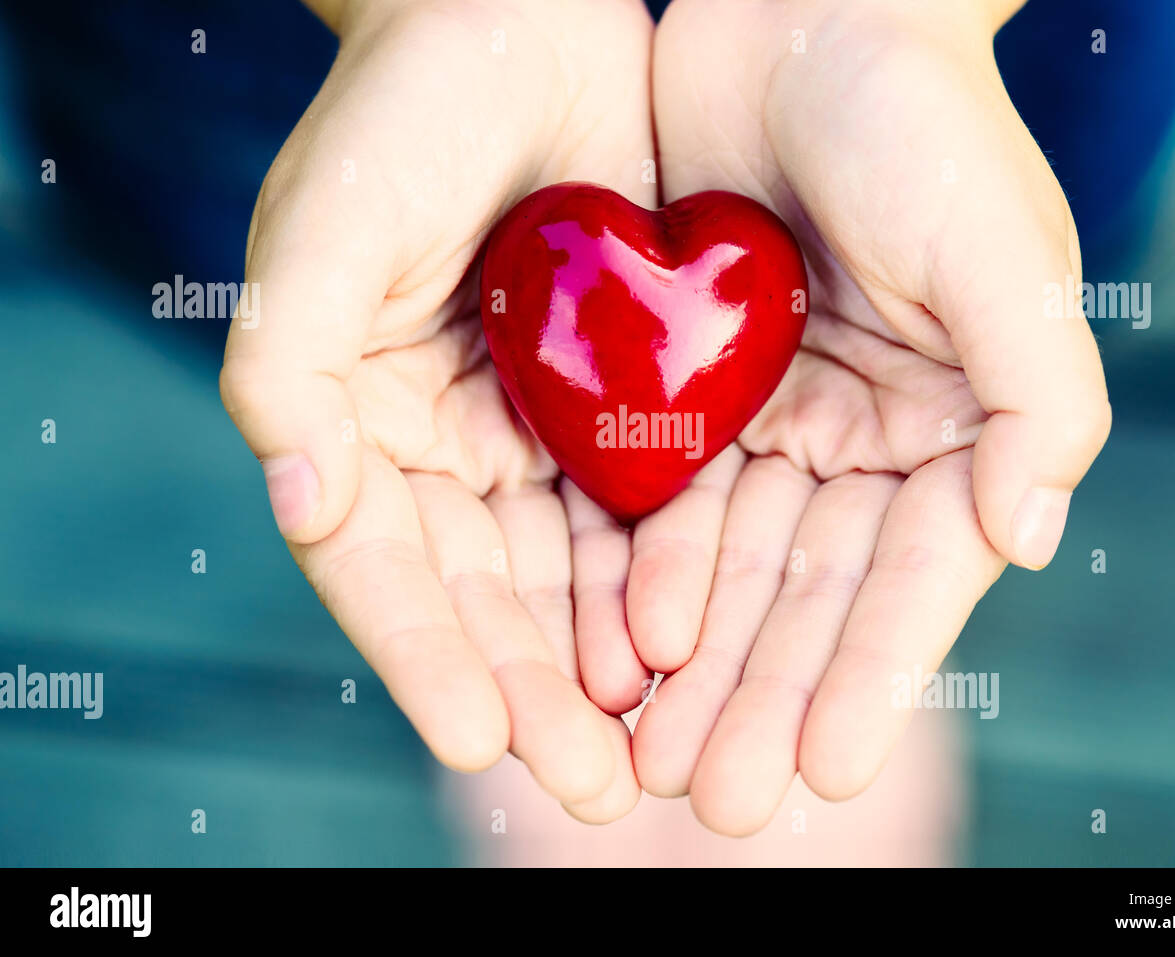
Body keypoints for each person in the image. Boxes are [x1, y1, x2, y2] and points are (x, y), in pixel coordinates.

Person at [218, 0, 1112, 839]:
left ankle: (802, 662)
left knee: (957, 317)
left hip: (988, 68)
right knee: (337, 314)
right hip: (288, 64)